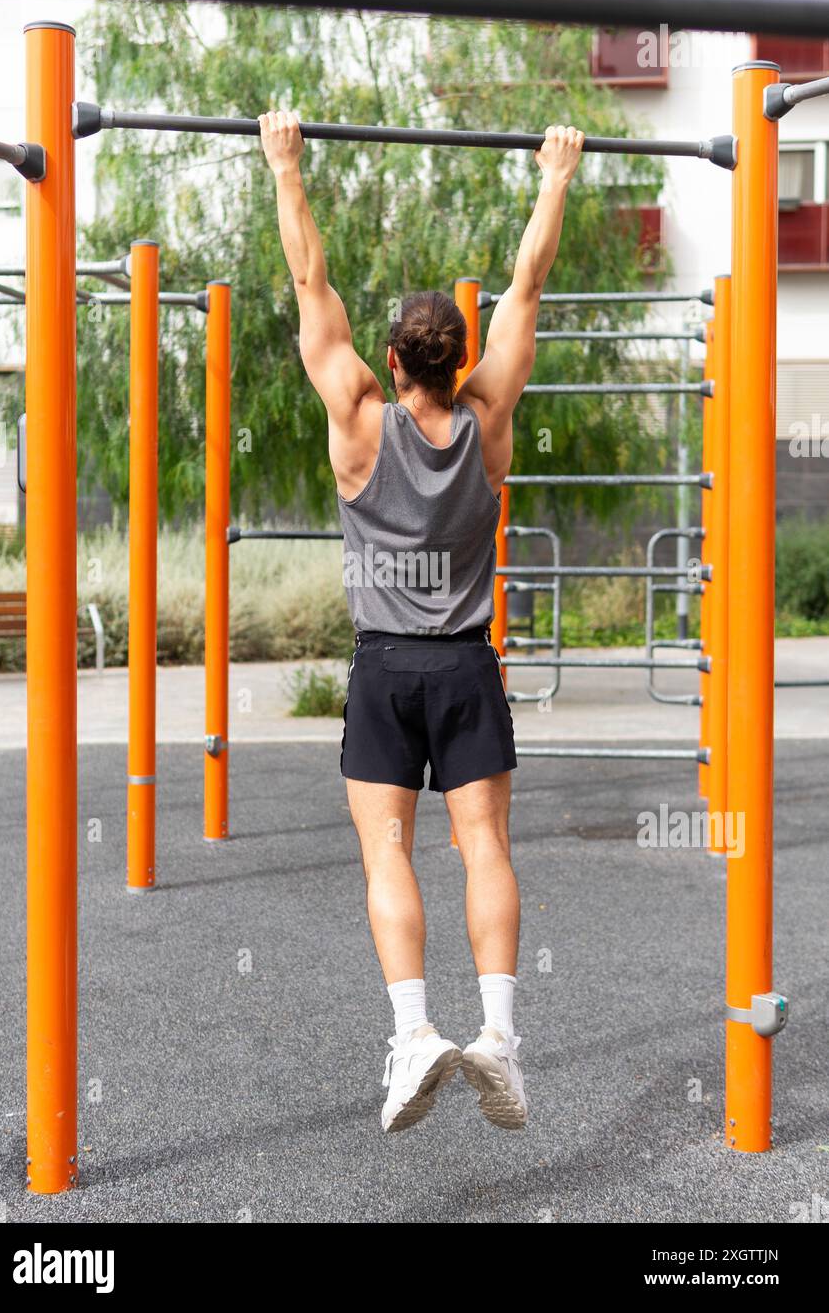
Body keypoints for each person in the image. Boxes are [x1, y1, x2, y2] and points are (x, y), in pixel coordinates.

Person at [259, 111, 584, 1133]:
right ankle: (498, 1039)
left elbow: (311, 284)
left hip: (384, 670)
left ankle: (411, 1036)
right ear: (454, 360)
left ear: (392, 361)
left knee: (386, 852)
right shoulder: (486, 422)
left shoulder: (357, 421)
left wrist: (286, 165)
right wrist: (554, 176)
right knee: (480, 844)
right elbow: (526, 286)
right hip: (464, 666)